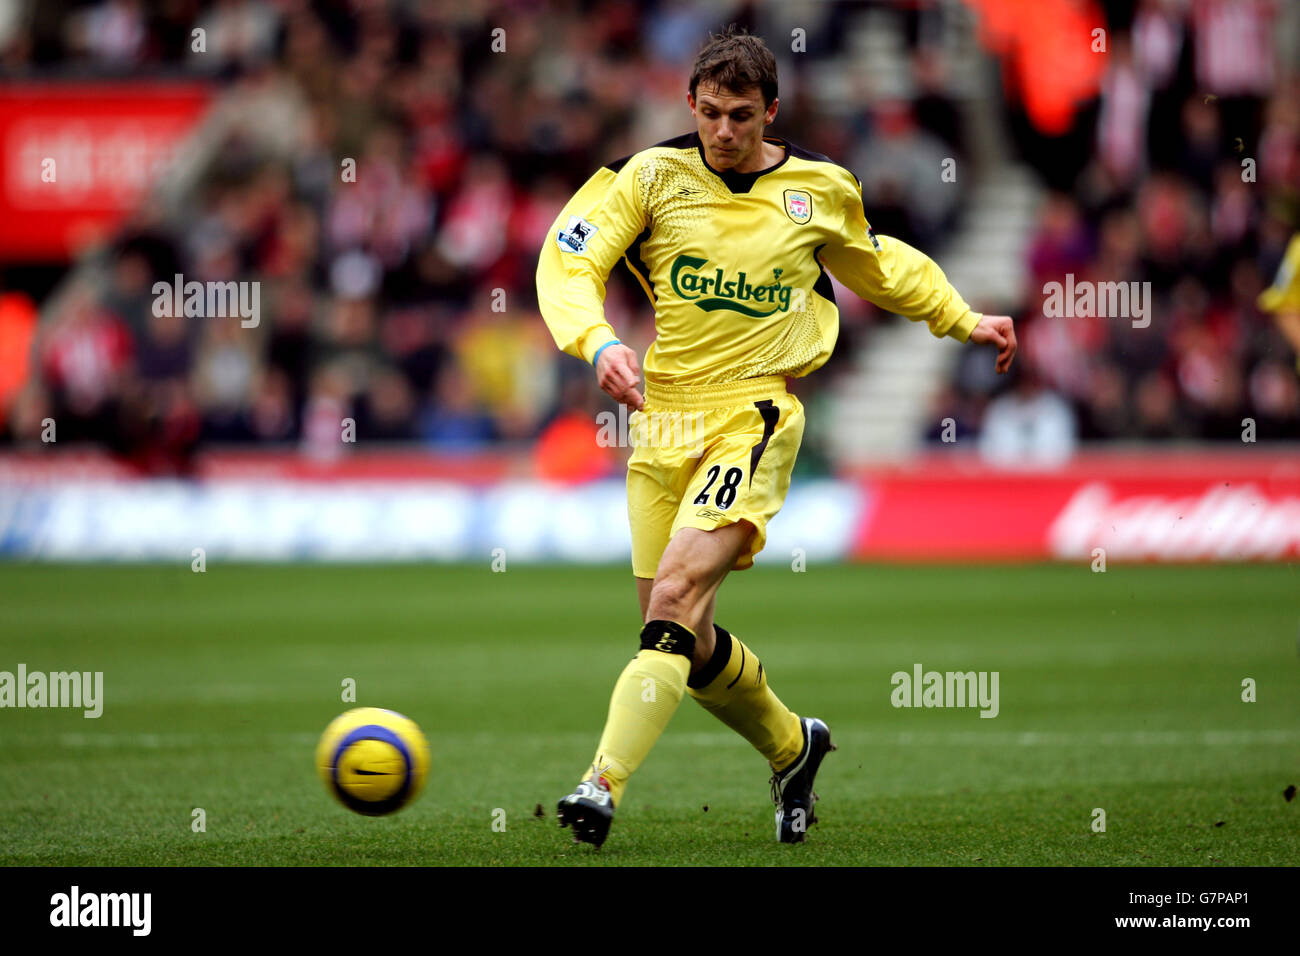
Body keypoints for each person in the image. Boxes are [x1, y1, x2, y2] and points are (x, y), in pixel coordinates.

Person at [535, 25, 1016, 848]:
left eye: (743, 117)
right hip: (663, 421)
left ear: (771, 113)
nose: (724, 132)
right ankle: (795, 747)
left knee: (676, 602)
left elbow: (878, 264)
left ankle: (600, 785)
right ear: (690, 103)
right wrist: (599, 340)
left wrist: (961, 318)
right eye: (712, 113)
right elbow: (567, 259)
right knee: (676, 632)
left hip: (753, 415)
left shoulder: (819, 189)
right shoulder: (646, 178)